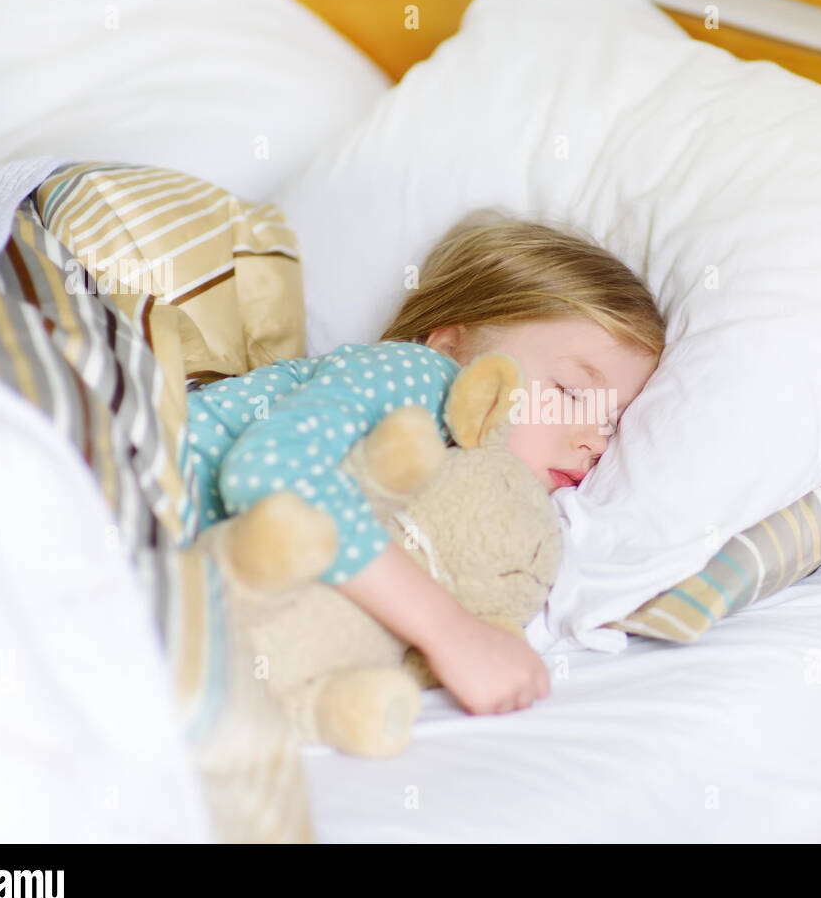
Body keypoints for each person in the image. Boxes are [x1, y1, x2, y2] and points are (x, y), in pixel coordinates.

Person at [183, 210, 665, 715]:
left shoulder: (466, 499)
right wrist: (452, 633)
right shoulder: (422, 377)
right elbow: (269, 474)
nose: (594, 439)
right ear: (452, 347)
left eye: (614, 422)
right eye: (572, 392)